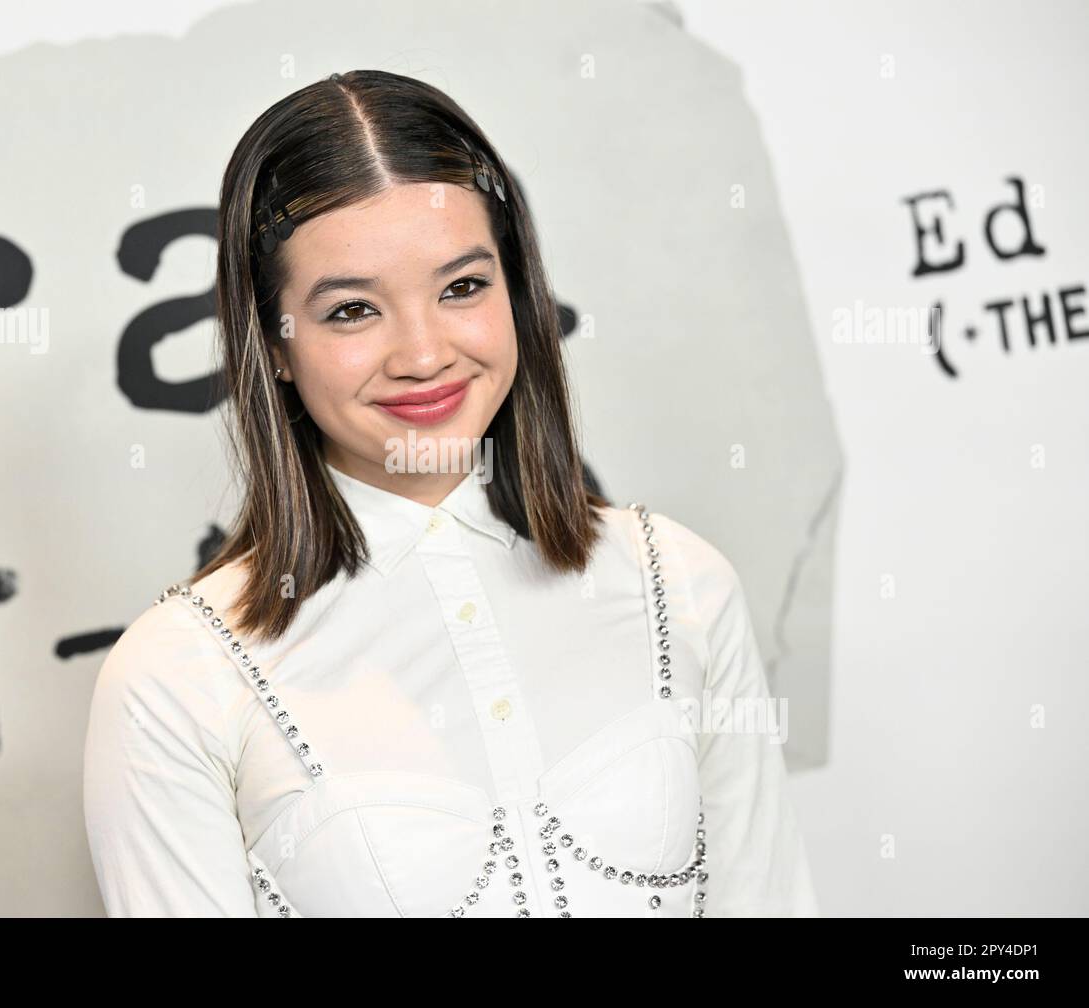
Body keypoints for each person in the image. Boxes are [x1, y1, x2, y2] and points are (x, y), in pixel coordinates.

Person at [82, 69, 819, 918]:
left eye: (462, 287)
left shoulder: (679, 583)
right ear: (274, 344)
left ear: (518, 290)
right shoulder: (176, 676)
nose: (424, 354)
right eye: (353, 310)